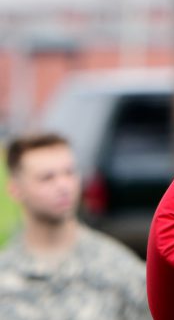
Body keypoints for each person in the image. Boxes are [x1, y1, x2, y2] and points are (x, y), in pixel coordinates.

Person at [0, 132, 151, 320]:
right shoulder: (5, 275)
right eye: (47, 178)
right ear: (15, 189)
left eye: (69, 173)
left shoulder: (119, 270)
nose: (63, 185)